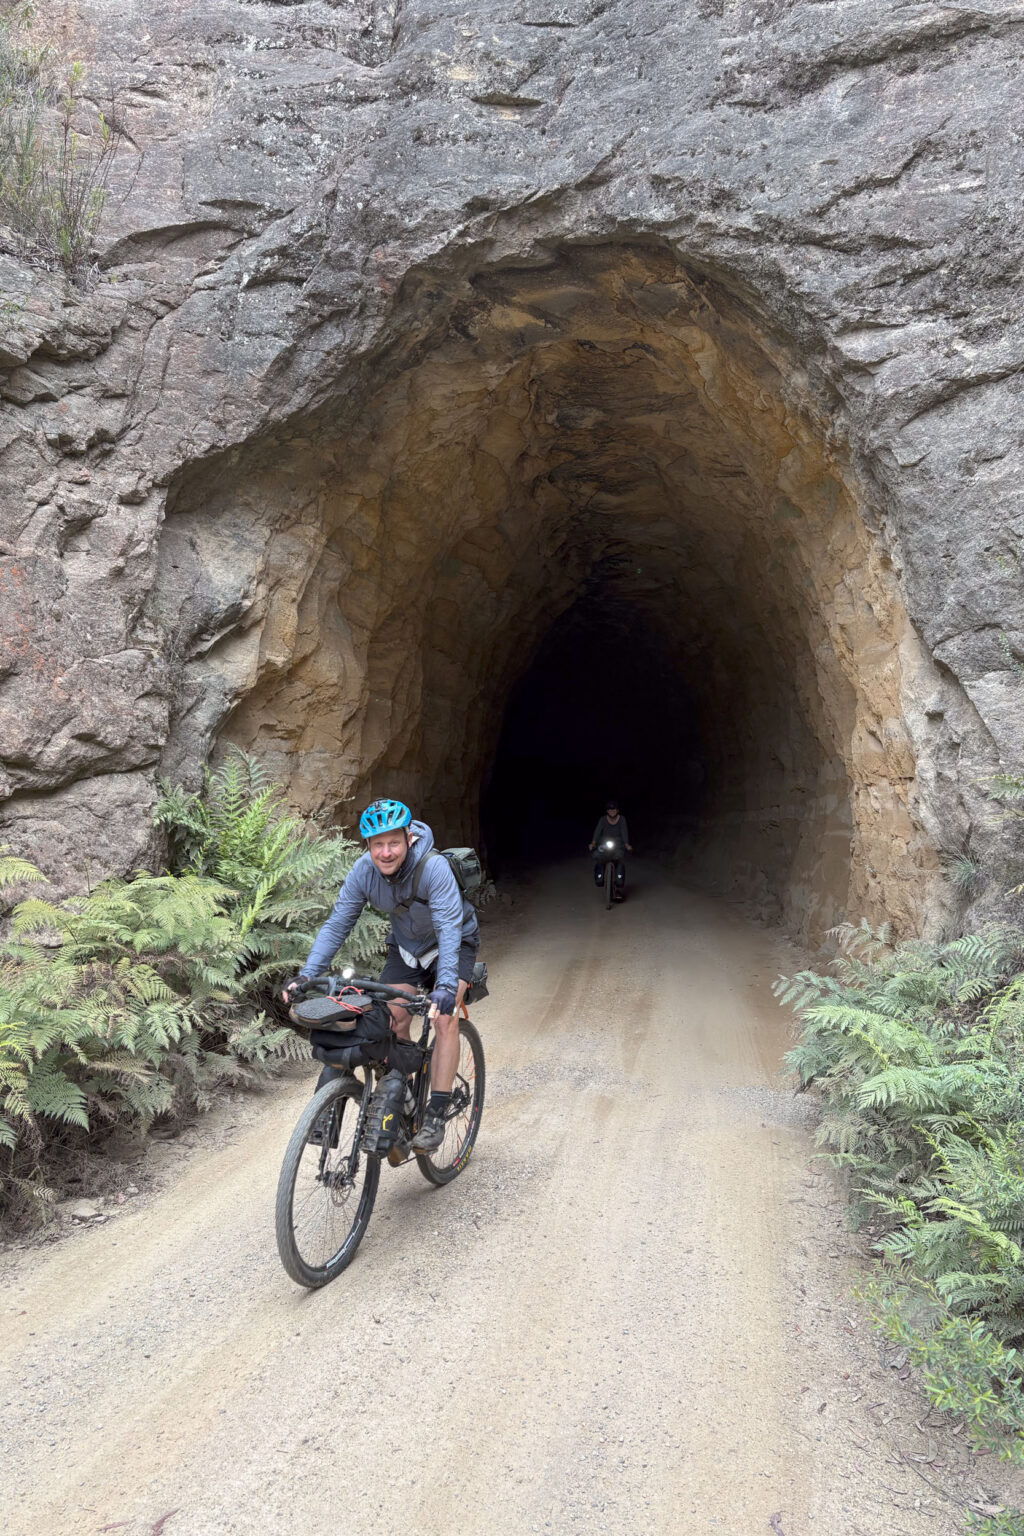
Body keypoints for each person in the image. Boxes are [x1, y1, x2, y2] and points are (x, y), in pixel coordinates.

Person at [282, 798, 479, 1153]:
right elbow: (338, 923)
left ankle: (435, 1115)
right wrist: (307, 974)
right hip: (406, 949)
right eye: (377, 845)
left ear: (408, 838)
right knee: (391, 1018)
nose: (386, 852)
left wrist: (446, 986)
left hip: (453, 944)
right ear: (368, 846)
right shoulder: (363, 872)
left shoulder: (433, 868)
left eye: (393, 843)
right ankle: (403, 1101)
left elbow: (449, 928)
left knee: (443, 1018)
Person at [589, 800, 633, 896]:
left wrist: (626, 844)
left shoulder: (622, 819)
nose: (612, 811)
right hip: (604, 843)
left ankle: (617, 885)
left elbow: (624, 831)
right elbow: (597, 831)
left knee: (619, 859)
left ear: (617, 810)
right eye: (610, 810)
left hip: (618, 844)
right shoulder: (603, 819)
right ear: (607, 811)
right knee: (598, 856)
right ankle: (600, 876)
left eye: (614, 809)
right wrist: (593, 843)